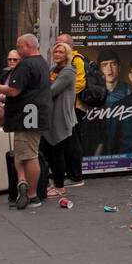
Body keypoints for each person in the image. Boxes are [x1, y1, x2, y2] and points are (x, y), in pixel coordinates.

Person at [0, 35, 50, 210]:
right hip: (34, 115)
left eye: (19, 46)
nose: (17, 49)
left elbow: (13, 91)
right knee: (21, 153)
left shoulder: (26, 64)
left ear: (28, 46)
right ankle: (22, 182)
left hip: (27, 116)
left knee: (29, 155)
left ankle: (32, 196)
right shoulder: (42, 62)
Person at [41, 42, 79, 202]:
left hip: (60, 117)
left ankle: (59, 186)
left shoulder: (68, 71)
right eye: (55, 52)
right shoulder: (52, 69)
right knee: (47, 151)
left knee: (57, 152)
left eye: (61, 52)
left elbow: (52, 90)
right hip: (49, 116)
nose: (57, 54)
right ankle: (52, 183)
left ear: (67, 55)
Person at [54, 34, 87, 187]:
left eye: (60, 45)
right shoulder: (62, 63)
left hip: (75, 106)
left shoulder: (76, 60)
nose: (57, 48)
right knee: (66, 140)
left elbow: (79, 83)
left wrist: (63, 93)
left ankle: (75, 175)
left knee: (73, 140)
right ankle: (69, 173)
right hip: (65, 106)